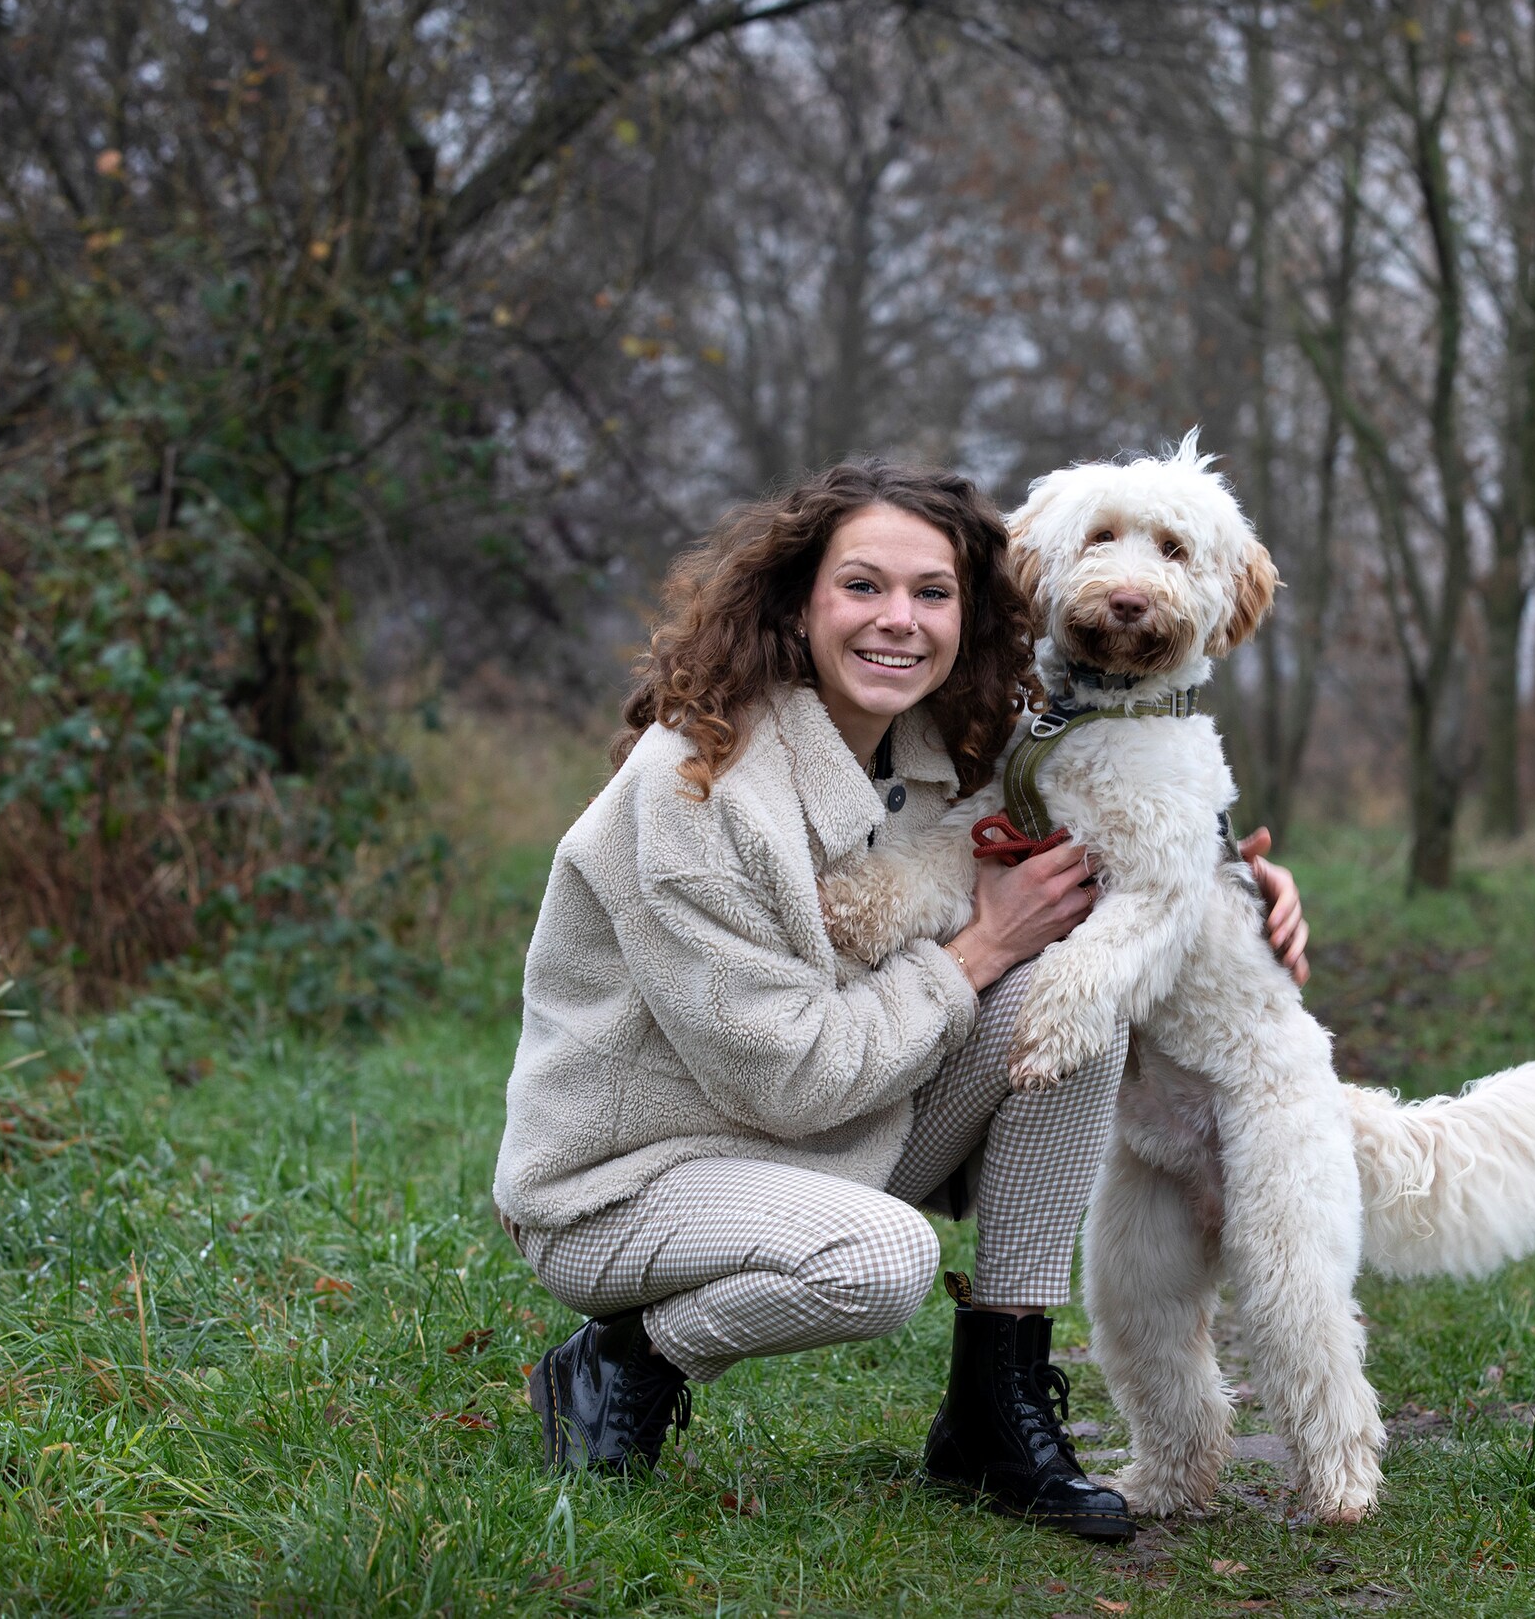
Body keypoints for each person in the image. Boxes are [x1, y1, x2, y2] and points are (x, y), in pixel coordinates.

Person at [492, 460, 1310, 1542]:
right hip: (634, 1182)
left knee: (1073, 1014)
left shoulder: (942, 750)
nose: (899, 621)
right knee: (882, 1263)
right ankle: (621, 1360)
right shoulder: (695, 790)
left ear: (975, 614)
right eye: (861, 587)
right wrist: (979, 948)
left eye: (931, 594)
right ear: (797, 603)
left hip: (824, 1140)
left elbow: (1127, 836)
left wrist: (1230, 882)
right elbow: (791, 1077)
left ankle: (993, 1412)